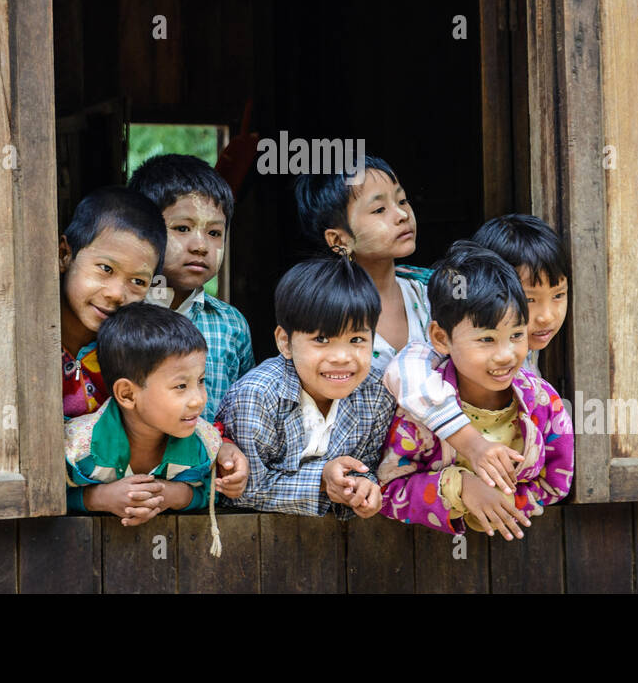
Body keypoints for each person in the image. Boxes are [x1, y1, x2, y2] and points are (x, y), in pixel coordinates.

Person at [377, 243, 574, 539]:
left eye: (516, 335)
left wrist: (506, 504)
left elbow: (556, 483)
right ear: (441, 338)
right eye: (486, 339)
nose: (506, 354)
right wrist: (461, 489)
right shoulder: (419, 413)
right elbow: (388, 490)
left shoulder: (544, 403)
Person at [215, 257, 395, 519]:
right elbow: (243, 489)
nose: (342, 357)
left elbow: (369, 467)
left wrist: (361, 486)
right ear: (285, 342)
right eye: (321, 339)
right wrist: (322, 480)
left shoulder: (377, 393)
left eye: (357, 339)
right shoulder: (257, 395)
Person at [65, 303, 241, 555]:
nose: (199, 399)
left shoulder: (202, 442)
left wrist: (175, 495)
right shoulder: (80, 447)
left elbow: (210, 491)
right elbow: (49, 497)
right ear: (127, 394)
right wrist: (98, 498)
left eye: (200, 381)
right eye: (181, 386)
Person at [128, 154, 256, 421]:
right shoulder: (122, 311)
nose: (200, 246)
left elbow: (245, 410)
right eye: (182, 228)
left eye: (214, 233)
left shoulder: (232, 324)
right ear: (143, 230)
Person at [293, 155, 430, 375]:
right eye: (379, 210)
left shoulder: (431, 294)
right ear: (339, 240)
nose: (403, 215)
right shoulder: (325, 314)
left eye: (402, 200)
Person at [59, 187, 166, 419]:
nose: (117, 294)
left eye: (138, 281)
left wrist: (220, 444)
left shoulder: (136, 357)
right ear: (64, 255)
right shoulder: (21, 339)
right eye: (106, 269)